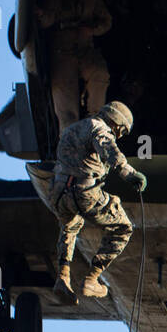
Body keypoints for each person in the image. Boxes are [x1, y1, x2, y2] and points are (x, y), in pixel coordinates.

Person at [47, 101, 146, 301]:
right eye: (121, 131)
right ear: (117, 124)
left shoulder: (71, 129)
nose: (119, 136)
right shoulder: (100, 129)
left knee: (70, 227)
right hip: (84, 191)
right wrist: (130, 175)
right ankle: (92, 279)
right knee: (123, 227)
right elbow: (110, 152)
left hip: (58, 192)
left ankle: (63, 278)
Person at [35, 0, 113, 130]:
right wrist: (41, 15)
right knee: (66, 109)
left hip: (85, 50)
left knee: (100, 73)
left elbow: (106, 22)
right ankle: (69, 141)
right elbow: (46, 21)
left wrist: (92, 30)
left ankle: (95, 123)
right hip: (62, 56)